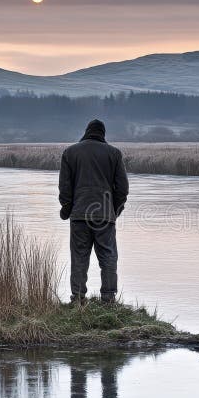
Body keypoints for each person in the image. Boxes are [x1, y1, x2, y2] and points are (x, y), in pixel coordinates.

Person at [59, 119, 129, 304]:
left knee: (79, 257)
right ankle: (108, 298)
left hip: (79, 214)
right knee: (108, 256)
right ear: (103, 134)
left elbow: (65, 188)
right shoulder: (114, 153)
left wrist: (66, 209)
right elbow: (122, 189)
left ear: (86, 131)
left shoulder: (70, 152)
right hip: (105, 216)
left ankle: (78, 298)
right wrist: (113, 210)